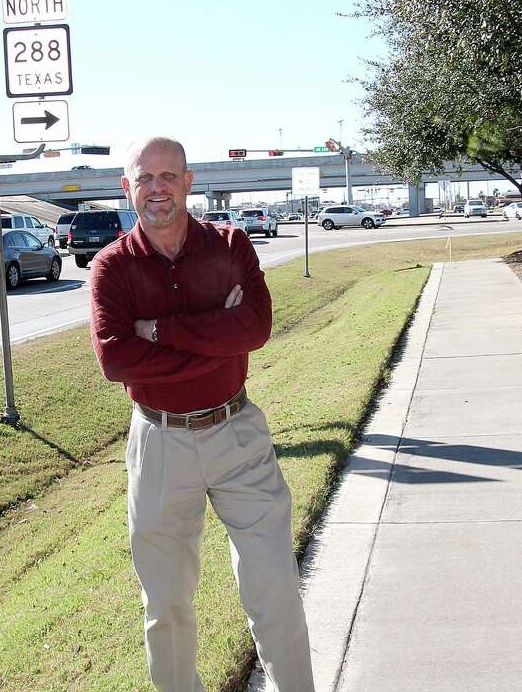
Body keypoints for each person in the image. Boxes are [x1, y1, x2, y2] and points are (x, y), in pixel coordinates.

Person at [89, 137, 314, 692]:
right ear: (127, 188)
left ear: (189, 182)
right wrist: (217, 335)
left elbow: (256, 329)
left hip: (237, 434)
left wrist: (161, 333)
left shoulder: (231, 245)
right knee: (166, 603)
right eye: (145, 178)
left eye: (169, 175)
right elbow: (117, 359)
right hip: (159, 444)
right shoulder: (111, 268)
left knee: (274, 586)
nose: (158, 188)